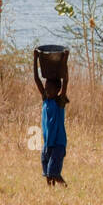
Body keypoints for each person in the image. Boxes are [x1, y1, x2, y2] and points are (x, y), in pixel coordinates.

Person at [32, 48, 69, 186]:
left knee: (54, 173)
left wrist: (65, 60)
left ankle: (65, 187)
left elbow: (65, 81)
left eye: (50, 89)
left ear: (57, 90)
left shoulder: (60, 102)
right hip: (48, 143)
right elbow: (36, 79)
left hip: (58, 143)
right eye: (46, 87)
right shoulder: (45, 99)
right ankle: (51, 195)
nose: (46, 90)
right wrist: (35, 58)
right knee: (47, 173)